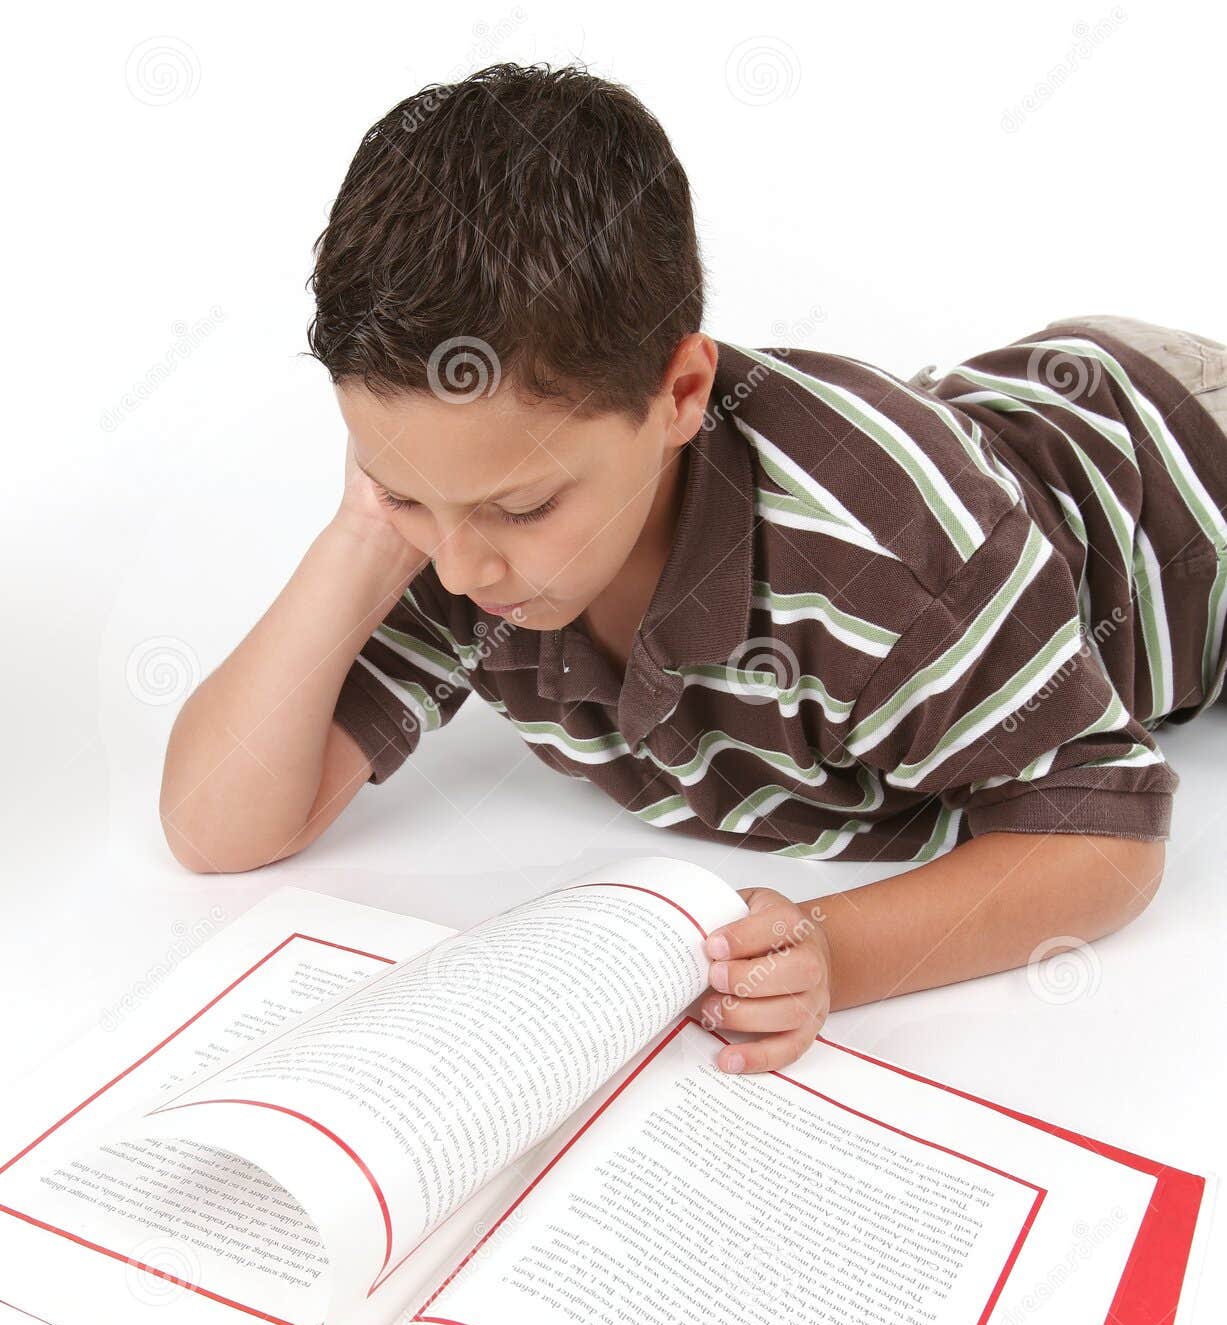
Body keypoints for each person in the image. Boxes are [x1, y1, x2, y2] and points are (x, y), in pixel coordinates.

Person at [160, 63, 1227, 1077]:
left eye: (523, 506)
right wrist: (363, 536)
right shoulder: (458, 538)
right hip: (1000, 441)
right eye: (399, 490)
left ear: (678, 394)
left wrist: (834, 949)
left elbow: (1104, 829)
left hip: (1183, 470)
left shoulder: (891, 563)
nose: (460, 560)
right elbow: (220, 827)